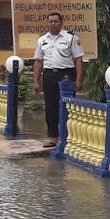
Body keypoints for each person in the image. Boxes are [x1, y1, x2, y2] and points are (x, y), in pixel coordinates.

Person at [32, 10, 84, 146]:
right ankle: (54, 137)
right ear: (47, 23)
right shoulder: (42, 40)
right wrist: (36, 81)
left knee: (68, 106)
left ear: (61, 23)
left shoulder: (71, 38)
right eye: (51, 21)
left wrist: (78, 79)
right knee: (50, 107)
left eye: (56, 21)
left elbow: (78, 59)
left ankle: (69, 136)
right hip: (49, 75)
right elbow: (38, 62)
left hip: (67, 74)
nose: (53, 24)